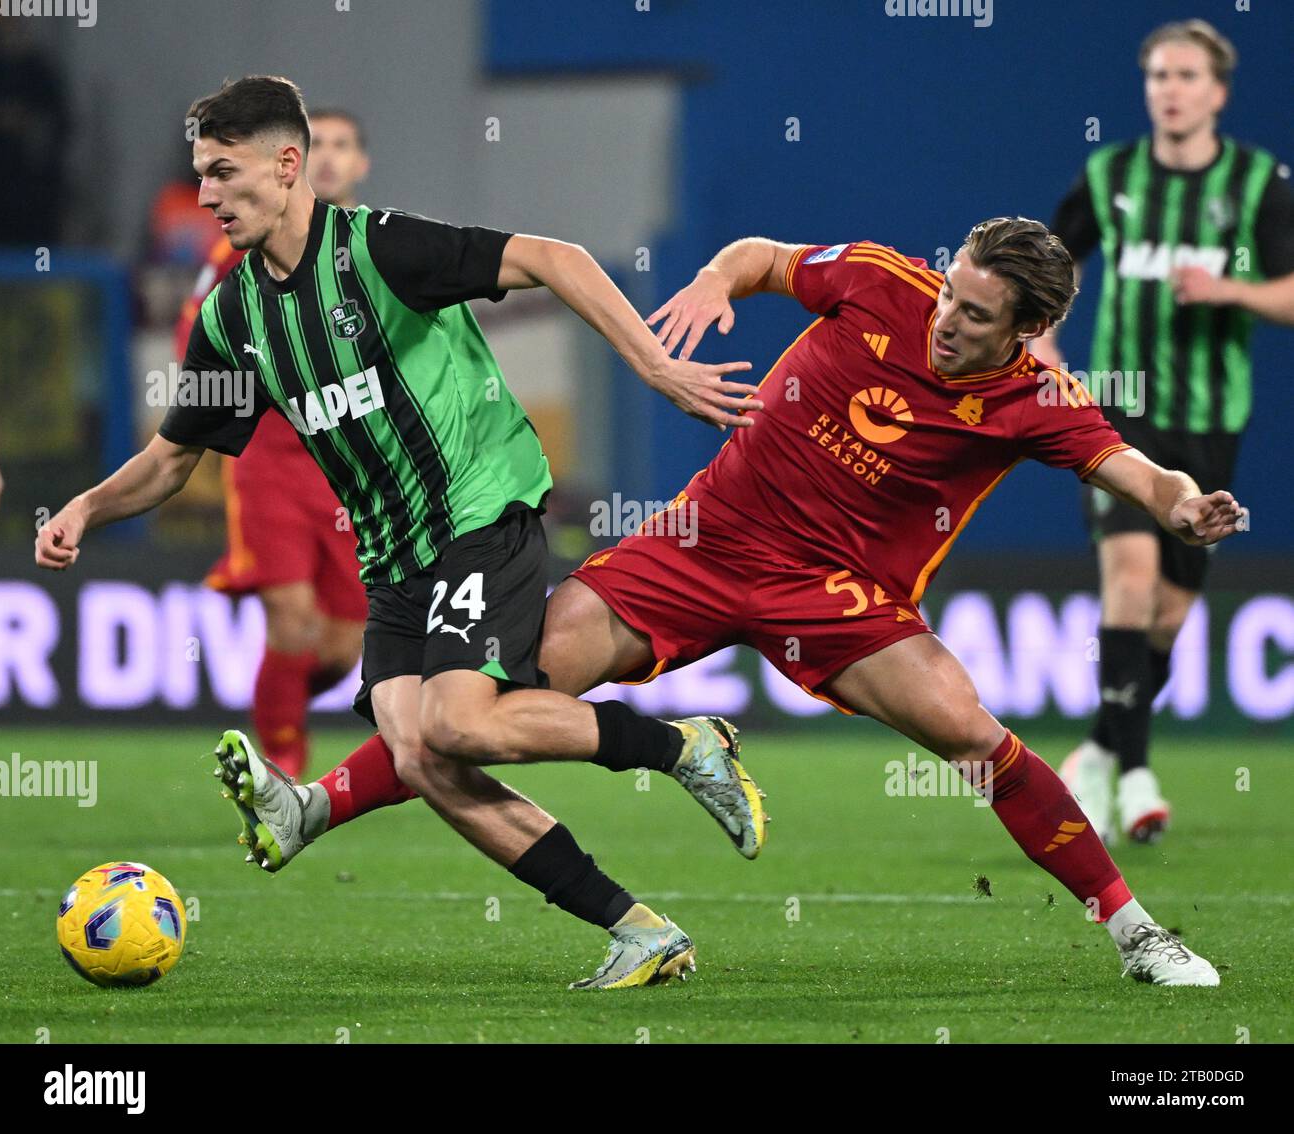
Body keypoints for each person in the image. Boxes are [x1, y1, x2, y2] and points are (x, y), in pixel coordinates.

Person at [268, 218, 1242, 988]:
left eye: (976, 316)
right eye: (952, 293)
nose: (946, 319)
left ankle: (1135, 930)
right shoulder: (879, 280)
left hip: (834, 591)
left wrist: (1182, 502)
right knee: (480, 707)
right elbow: (762, 259)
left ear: (1024, 333)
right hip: (701, 540)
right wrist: (710, 283)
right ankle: (319, 808)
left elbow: (1132, 470)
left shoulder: (1040, 398)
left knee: (970, 733)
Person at [35, 75, 768, 990]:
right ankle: (637, 929)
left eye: (224, 173)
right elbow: (175, 456)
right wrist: (85, 509)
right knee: (422, 757)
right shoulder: (233, 317)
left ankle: (686, 747)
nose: (207, 196)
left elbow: (554, 255)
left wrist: (657, 369)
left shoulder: (381, 252)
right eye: (200, 175)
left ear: (288, 164)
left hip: (477, 509)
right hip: (389, 556)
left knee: (459, 723)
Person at [1034, 19, 1294, 844]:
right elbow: (1043, 268)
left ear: (1217, 92)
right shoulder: (1111, 173)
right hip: (1119, 412)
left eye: (1186, 76)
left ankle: (1102, 752)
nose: (1169, 90)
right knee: (1132, 583)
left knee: (1169, 617)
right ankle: (1137, 773)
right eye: (1157, 76)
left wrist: (1227, 290)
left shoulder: (1258, 184)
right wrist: (1045, 347)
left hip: (1213, 420)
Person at [177, 108, 374, 780]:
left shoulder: (377, 246)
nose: (327, 159)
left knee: (343, 643)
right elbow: (196, 339)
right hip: (268, 458)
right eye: (315, 145)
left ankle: (275, 703)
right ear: (288, 161)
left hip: (348, 463)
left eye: (342, 146)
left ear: (361, 164)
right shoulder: (235, 249)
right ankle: (281, 771)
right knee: (291, 623)